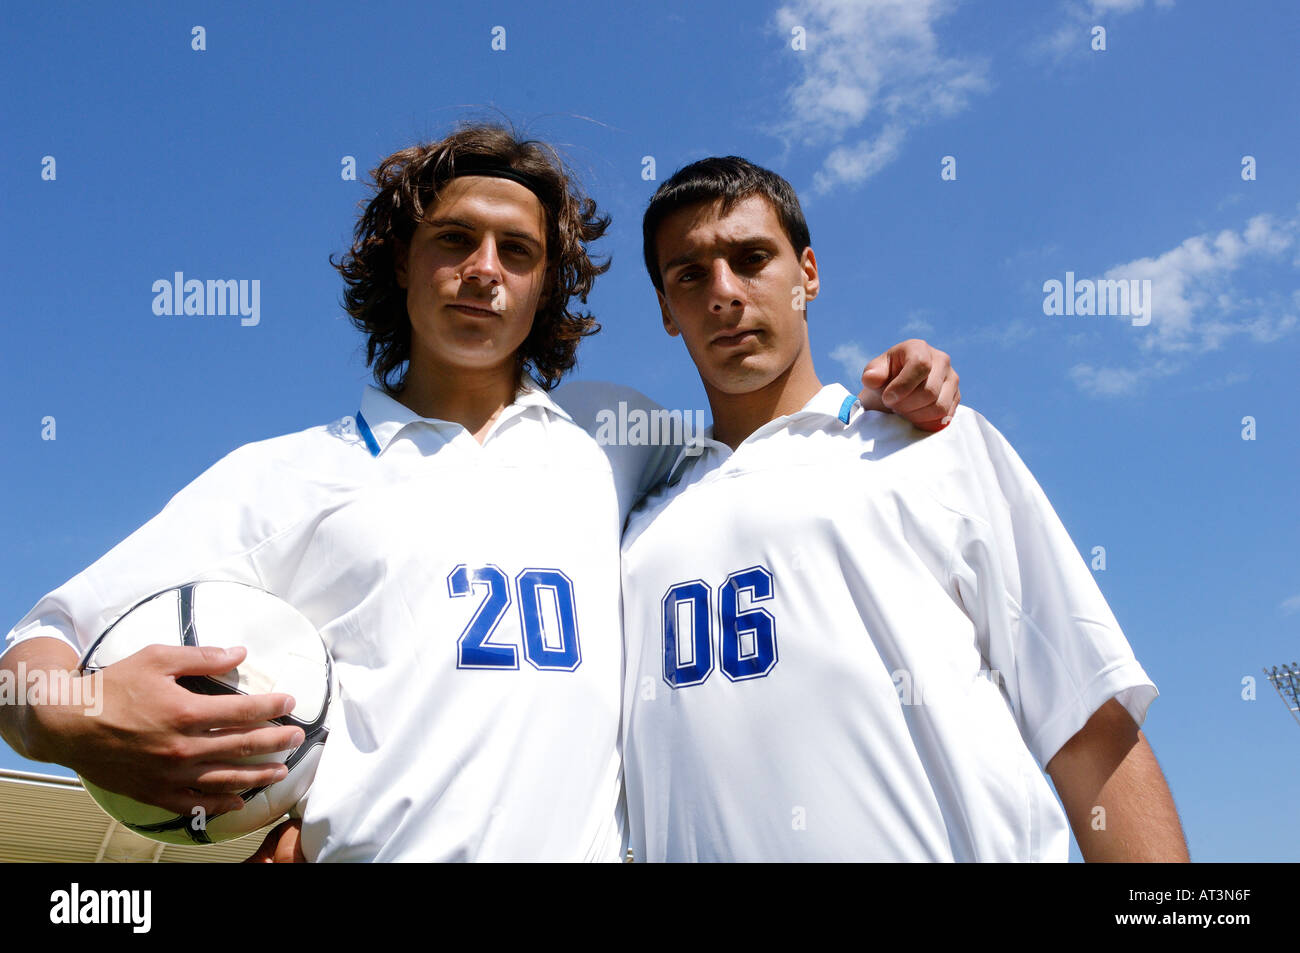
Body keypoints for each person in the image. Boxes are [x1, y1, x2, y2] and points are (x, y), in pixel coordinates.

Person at [0, 125, 959, 862]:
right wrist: (77, 713)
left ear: (549, 287)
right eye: (453, 239)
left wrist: (891, 391)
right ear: (400, 266)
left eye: (519, 251)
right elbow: (27, 658)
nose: (484, 272)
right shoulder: (287, 473)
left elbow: (768, 455)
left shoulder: (614, 435)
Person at [619, 156, 1189, 862]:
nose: (723, 292)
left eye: (752, 257)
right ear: (666, 312)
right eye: (689, 274)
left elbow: (1087, 724)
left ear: (809, 274)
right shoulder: (633, 536)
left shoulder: (935, 446)